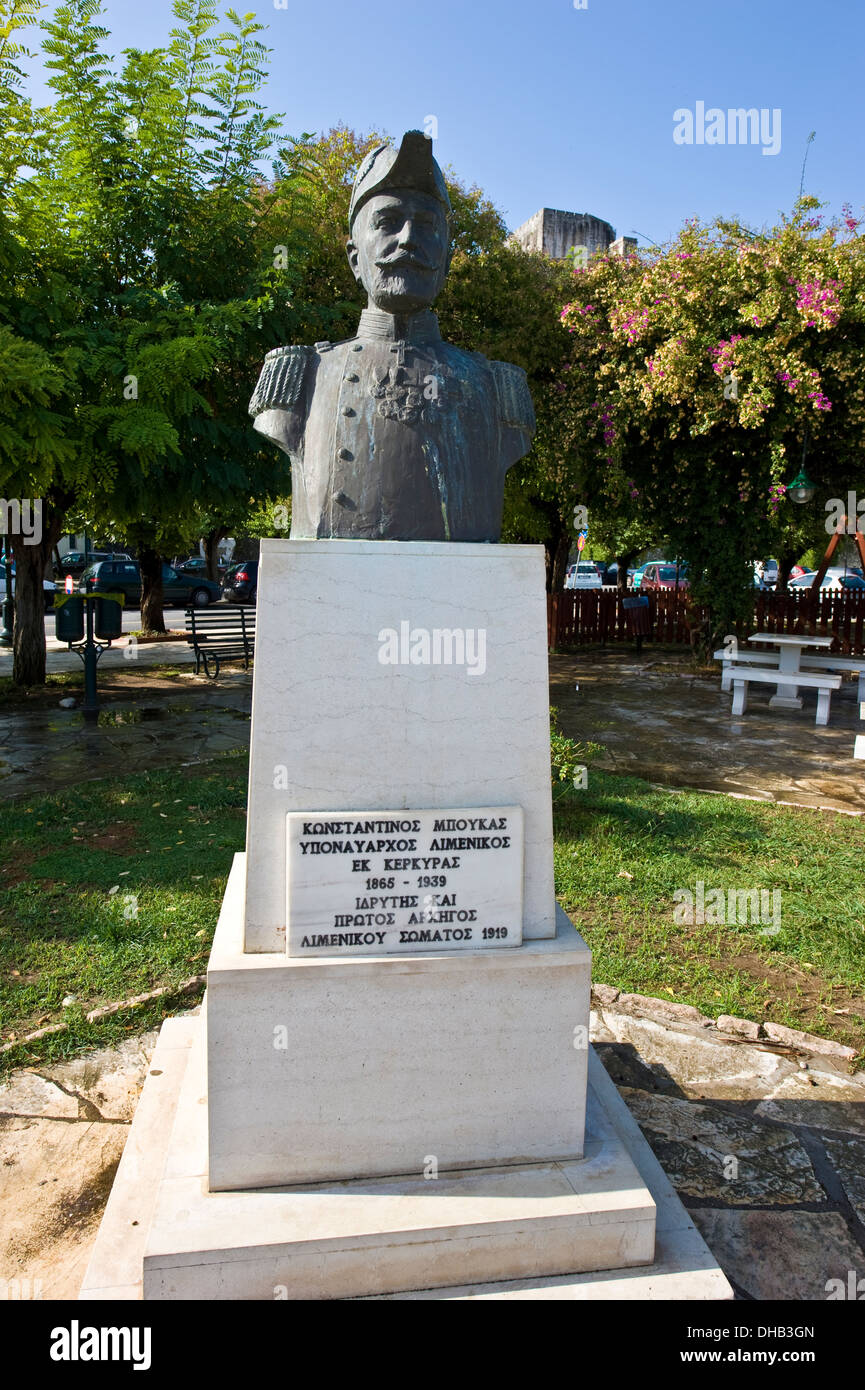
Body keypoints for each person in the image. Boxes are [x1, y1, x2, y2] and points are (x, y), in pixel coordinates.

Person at [249, 131, 535, 542]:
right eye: (387, 222)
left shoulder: (494, 385)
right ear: (354, 259)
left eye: (425, 224)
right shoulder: (301, 374)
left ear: (447, 258)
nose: (407, 239)